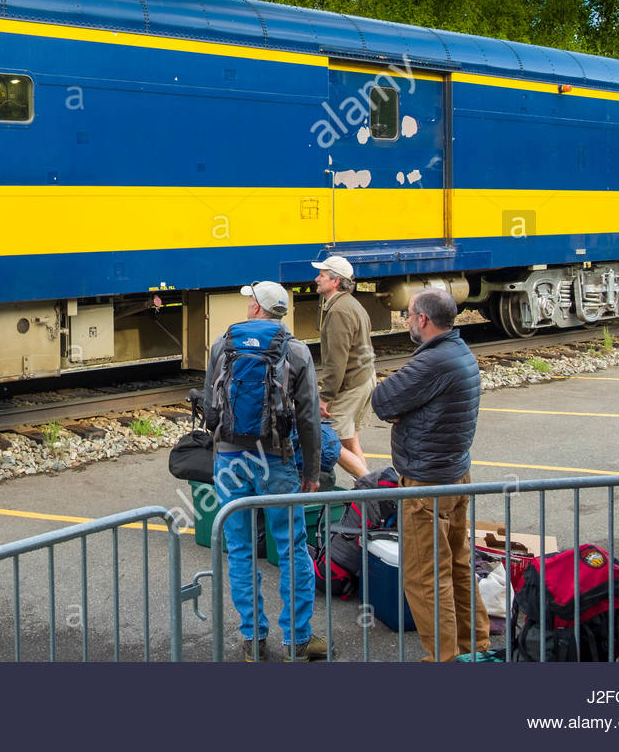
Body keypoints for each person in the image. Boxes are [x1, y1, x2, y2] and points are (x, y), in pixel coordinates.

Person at [203, 280, 328, 662]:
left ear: (258, 308)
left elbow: (211, 407)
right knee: (292, 548)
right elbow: (308, 417)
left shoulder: (222, 346)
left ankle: (253, 639)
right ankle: (298, 640)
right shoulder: (296, 351)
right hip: (276, 459)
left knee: (240, 548)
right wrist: (312, 469)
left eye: (249, 302)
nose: (247, 307)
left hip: (231, 459)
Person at [371, 287, 489, 661]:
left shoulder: (432, 362)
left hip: (426, 483)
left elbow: (382, 400)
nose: (406, 320)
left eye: (408, 314)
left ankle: (443, 658)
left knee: (425, 576)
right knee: (457, 564)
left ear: (423, 319)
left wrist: (402, 412)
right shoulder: (460, 352)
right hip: (456, 474)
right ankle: (476, 646)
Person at [313, 255, 373, 481]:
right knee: (350, 439)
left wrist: (325, 397)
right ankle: (372, 487)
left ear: (335, 281)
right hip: (363, 379)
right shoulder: (351, 305)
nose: (317, 279)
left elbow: (336, 361)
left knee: (328, 439)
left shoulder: (339, 311)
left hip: (351, 385)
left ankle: (372, 488)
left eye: (322, 275)